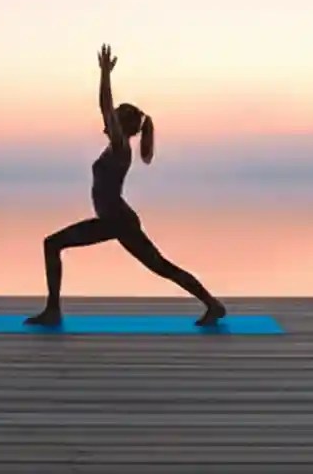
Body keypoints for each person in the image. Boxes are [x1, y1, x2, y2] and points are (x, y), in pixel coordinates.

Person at [25, 44, 227, 327]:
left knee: (160, 267)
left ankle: (213, 304)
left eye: (112, 121)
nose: (105, 125)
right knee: (56, 245)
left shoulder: (120, 148)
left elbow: (105, 107)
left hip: (118, 221)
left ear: (121, 127)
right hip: (115, 219)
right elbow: (108, 113)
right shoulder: (115, 148)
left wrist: (105, 74)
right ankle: (213, 304)